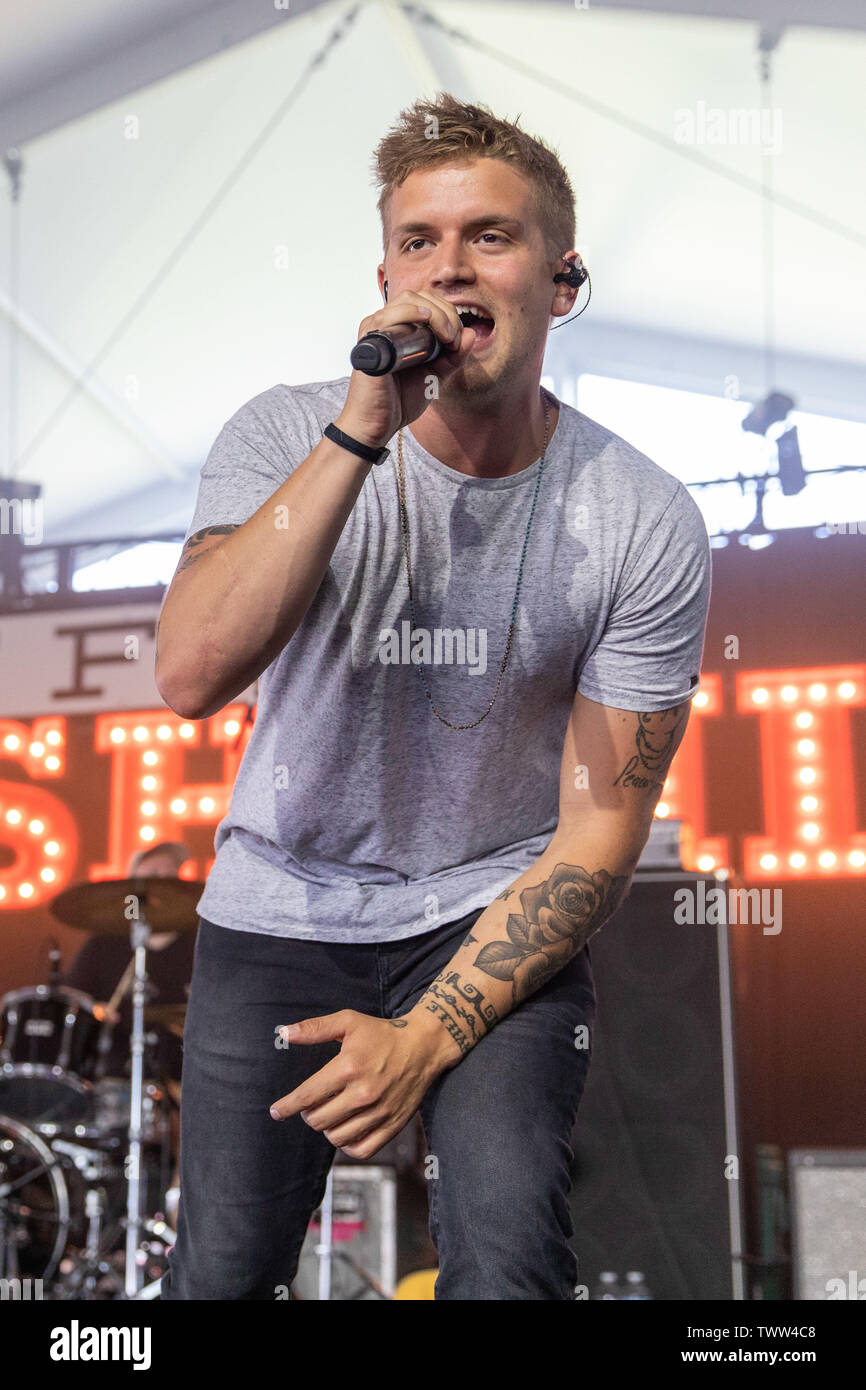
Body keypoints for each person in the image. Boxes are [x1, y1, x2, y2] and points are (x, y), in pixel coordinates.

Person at [154, 93, 711, 1301]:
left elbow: (600, 830)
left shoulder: (639, 515)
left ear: (559, 282)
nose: (448, 268)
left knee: (509, 1261)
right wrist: (360, 431)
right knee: (219, 1278)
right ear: (385, 275)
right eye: (419, 241)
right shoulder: (284, 433)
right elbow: (191, 674)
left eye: (488, 238)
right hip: (280, 912)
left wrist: (428, 1032)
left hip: (488, 914)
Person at [63, 840, 195, 1085]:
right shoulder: (106, 941)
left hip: (184, 1074)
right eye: (154, 874)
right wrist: (96, 1010)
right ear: (132, 883)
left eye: (170, 874)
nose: (163, 881)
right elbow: (71, 998)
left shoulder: (198, 943)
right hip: (114, 1072)